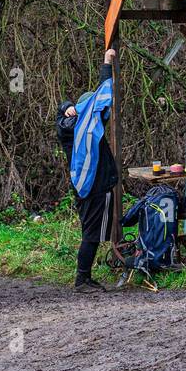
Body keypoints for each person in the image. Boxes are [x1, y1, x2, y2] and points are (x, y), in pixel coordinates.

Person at [56, 48, 121, 293]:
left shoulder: (66, 126)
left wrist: (66, 105)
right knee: (91, 234)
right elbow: (103, 95)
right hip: (93, 187)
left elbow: (62, 112)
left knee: (91, 232)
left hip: (86, 186)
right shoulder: (84, 126)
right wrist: (107, 63)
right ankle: (82, 280)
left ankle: (85, 278)